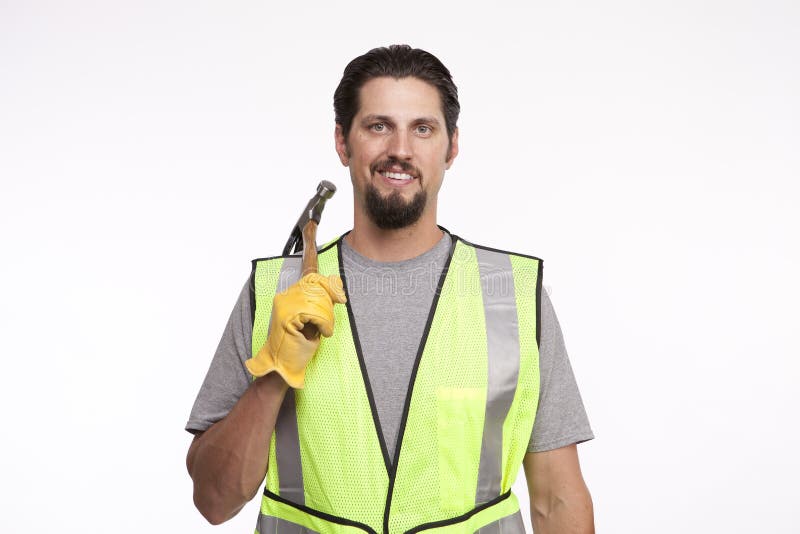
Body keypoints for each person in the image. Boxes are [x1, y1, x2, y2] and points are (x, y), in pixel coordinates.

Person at [186, 44, 594, 533]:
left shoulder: (512, 295)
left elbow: (557, 500)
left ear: (451, 147)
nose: (400, 148)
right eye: (378, 126)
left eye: (422, 129)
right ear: (343, 142)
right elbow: (215, 500)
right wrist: (274, 372)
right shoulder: (276, 291)